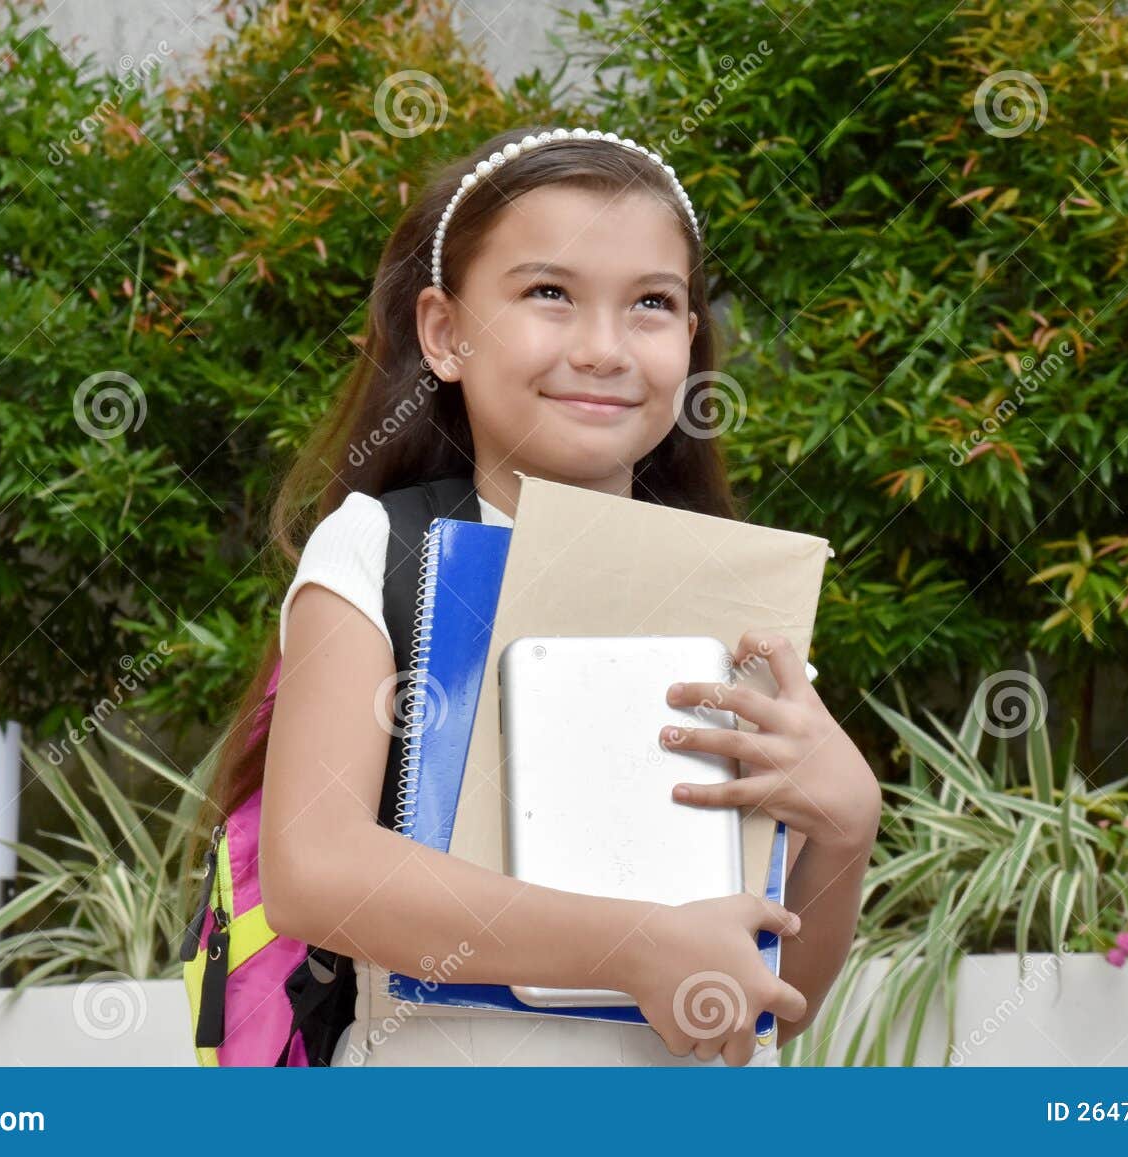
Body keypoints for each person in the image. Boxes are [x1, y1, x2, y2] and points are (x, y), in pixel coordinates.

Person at [218, 125, 882, 1066]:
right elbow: (315, 870)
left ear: (689, 340)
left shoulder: (734, 598)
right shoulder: (378, 549)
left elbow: (774, 1004)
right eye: (549, 294)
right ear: (445, 333)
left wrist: (847, 826)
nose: (605, 348)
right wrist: (635, 945)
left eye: (652, 304)